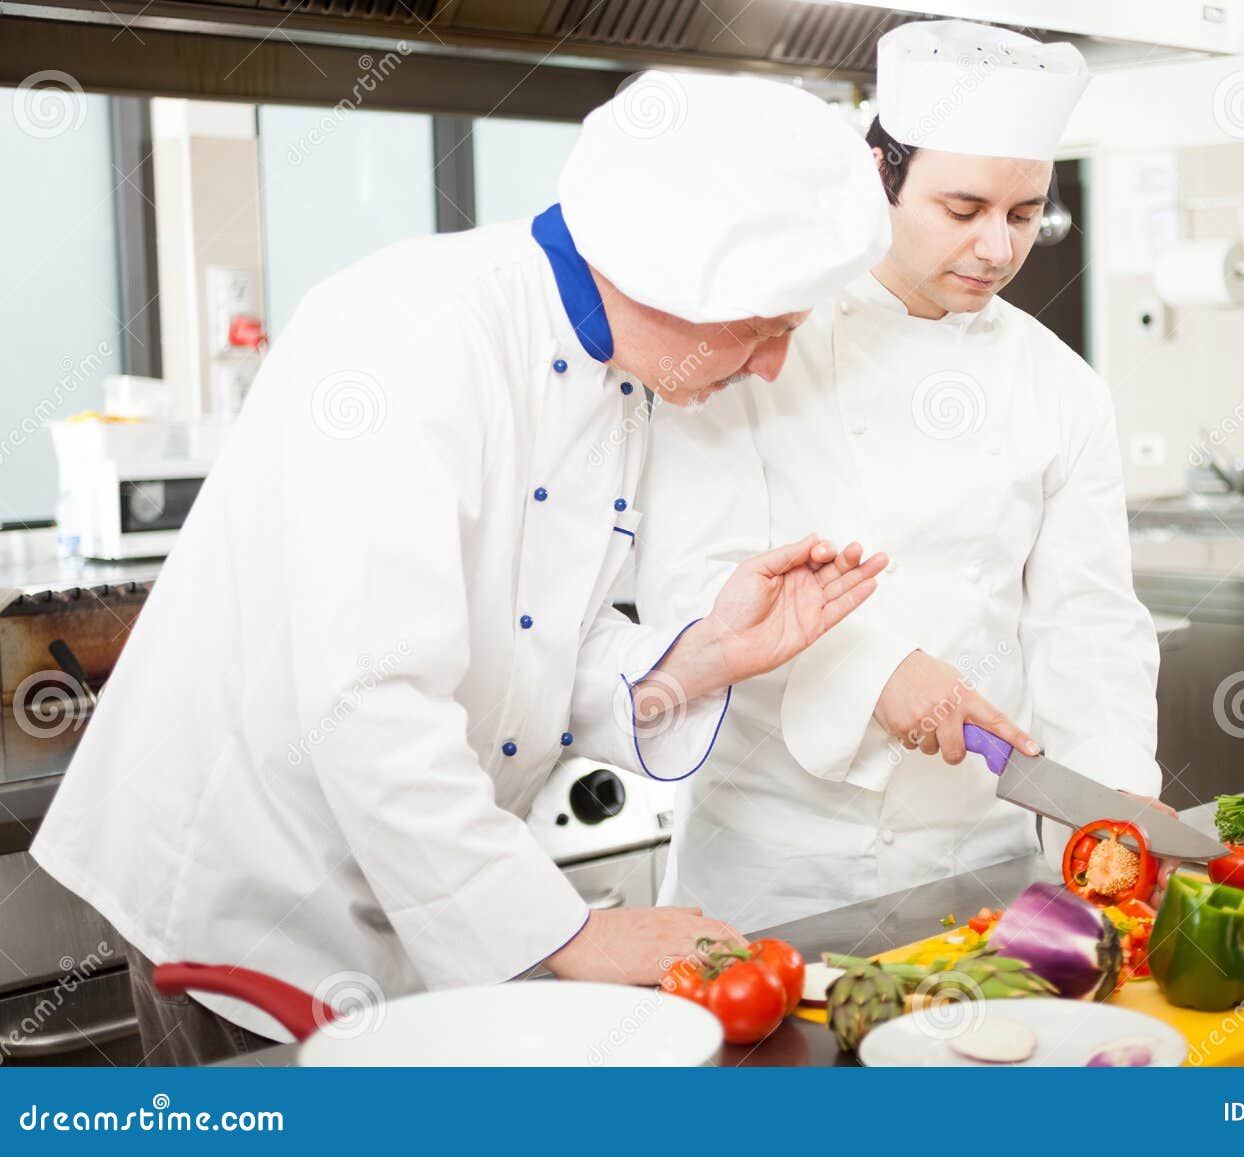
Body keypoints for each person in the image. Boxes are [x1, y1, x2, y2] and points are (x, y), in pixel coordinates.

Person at [31, 70, 891, 1064]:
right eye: (762, 329)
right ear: (673, 275)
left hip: (391, 878)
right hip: (249, 882)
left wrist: (704, 656)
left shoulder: (615, 375)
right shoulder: (410, 334)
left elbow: (528, 641)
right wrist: (570, 933)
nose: (771, 367)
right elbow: (370, 695)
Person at [634, 21, 1164, 932]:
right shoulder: (759, 342)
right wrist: (877, 674)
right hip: (772, 867)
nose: (996, 249)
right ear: (881, 175)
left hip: (976, 859)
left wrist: (1114, 796)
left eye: (1025, 215)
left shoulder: (1062, 386)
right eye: (963, 210)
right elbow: (688, 582)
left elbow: (1087, 623)